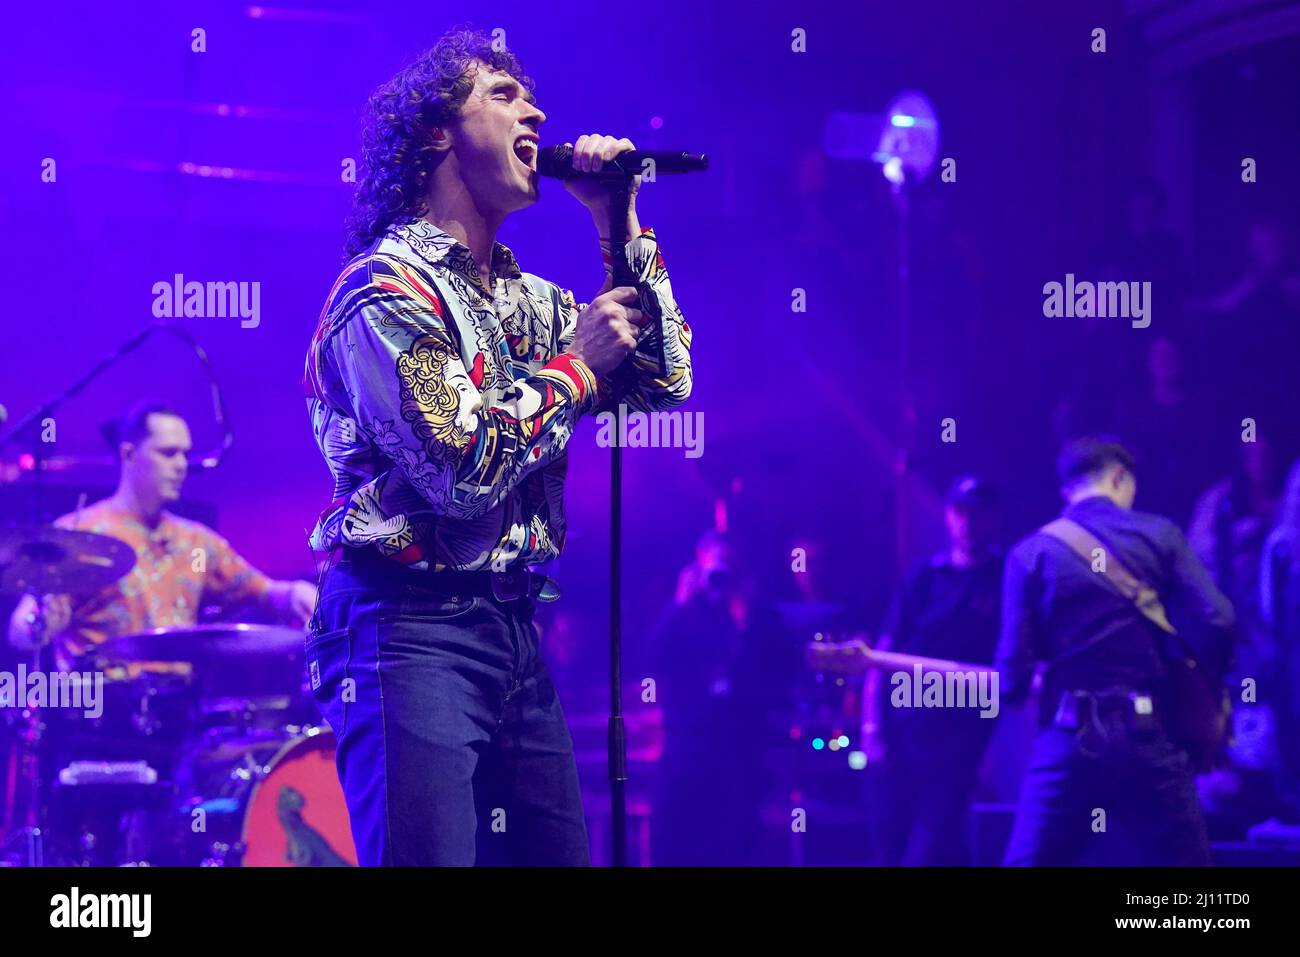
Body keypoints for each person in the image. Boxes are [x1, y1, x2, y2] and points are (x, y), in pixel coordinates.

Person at [303, 28, 693, 866]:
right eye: (504, 94)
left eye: (531, 96)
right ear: (438, 131)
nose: (538, 110)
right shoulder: (382, 290)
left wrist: (616, 216)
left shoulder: (527, 301)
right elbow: (462, 467)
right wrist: (577, 366)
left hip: (513, 625)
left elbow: (666, 379)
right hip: (405, 627)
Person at [997, 437, 1235, 865]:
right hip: (1148, 734)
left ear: (1067, 490)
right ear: (1119, 477)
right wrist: (1204, 690)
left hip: (1068, 739)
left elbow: (1013, 676)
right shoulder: (1159, 535)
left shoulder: (1029, 554)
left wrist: (1021, 685)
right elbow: (1218, 621)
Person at [6, 402, 316, 661]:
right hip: (98, 717)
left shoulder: (197, 542)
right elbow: (25, 628)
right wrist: (34, 624)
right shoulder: (79, 532)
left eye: (185, 454)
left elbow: (261, 590)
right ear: (128, 455)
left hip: (180, 714)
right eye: (168, 453)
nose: (182, 465)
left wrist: (294, 594)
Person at [862, 476, 1004, 866]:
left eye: (976, 513)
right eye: (959, 512)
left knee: (931, 849)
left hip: (959, 739)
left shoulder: (1007, 580)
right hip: (902, 730)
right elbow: (881, 656)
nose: (967, 522)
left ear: (993, 518)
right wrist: (872, 728)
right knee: (887, 845)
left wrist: (994, 749)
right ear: (947, 517)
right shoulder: (923, 579)